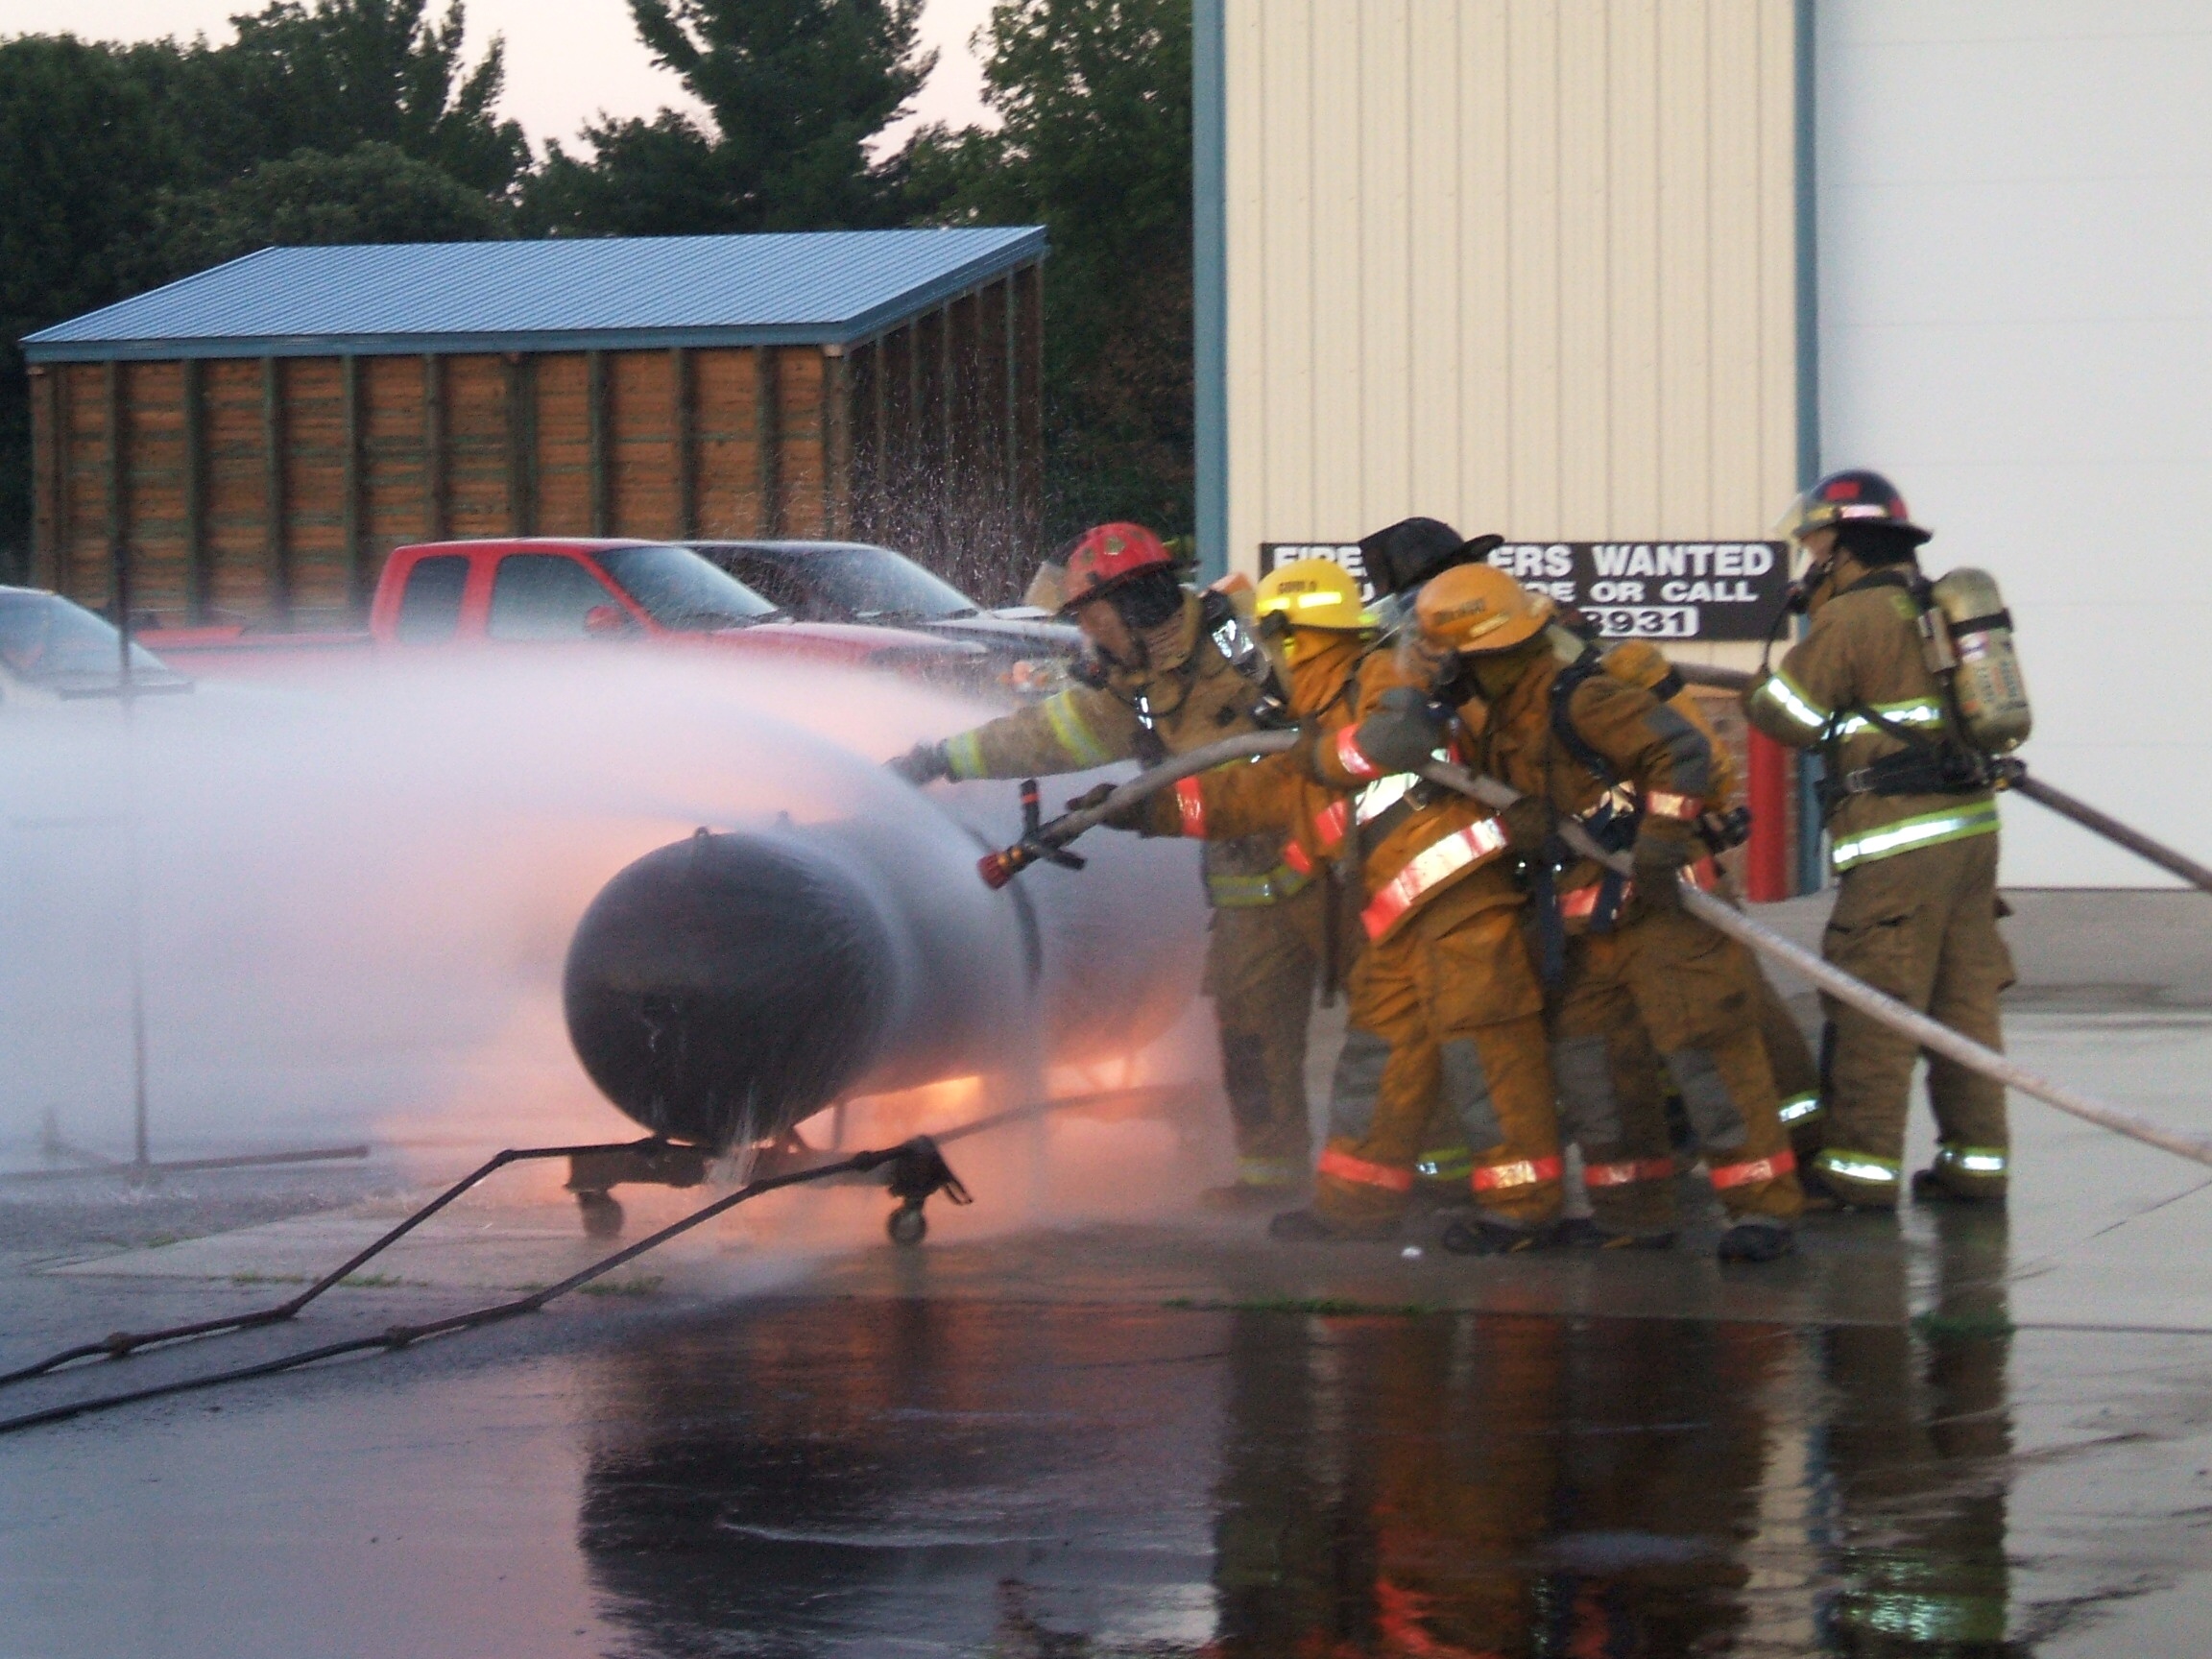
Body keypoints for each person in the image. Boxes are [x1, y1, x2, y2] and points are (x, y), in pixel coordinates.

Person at [888, 523, 1327, 1205]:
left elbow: (1340, 728)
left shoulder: (1249, 645)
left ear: (1131, 603)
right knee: (1248, 1032)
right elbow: (1047, 735)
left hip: (1345, 856)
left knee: (1405, 1019)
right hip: (1254, 878)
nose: (1085, 632)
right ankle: (1274, 1183)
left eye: (1088, 614)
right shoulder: (1136, 687)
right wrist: (939, 760)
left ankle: (1425, 1184)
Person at [1402, 563, 1803, 1261]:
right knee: (1599, 1076)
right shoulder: (1501, 712)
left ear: (1482, 650)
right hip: (1587, 925)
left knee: (1707, 1059)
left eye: (1447, 656)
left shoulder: (1580, 696)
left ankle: (1762, 1213)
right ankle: (1633, 1215)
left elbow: (1681, 755)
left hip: (1662, 913)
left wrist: (1662, 839)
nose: (1442, 672)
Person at [1745, 470, 2012, 1210]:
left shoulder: (1856, 619)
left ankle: (1855, 1177)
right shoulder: (1932, 606)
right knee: (1964, 1010)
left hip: (1897, 846)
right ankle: (1975, 1166)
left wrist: (1758, 692)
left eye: (1814, 544)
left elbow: (1788, 716)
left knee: (1875, 1008)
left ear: (1842, 545)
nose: (1808, 560)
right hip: (1969, 838)